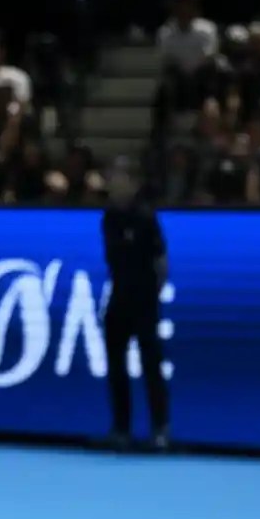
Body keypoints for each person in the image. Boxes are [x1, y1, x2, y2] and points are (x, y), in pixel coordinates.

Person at [101, 160, 171, 451]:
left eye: (118, 177)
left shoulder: (145, 216)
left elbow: (161, 261)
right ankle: (121, 429)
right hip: (118, 299)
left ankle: (160, 430)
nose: (112, 183)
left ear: (132, 182)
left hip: (144, 302)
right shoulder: (108, 218)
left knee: (150, 366)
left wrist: (152, 294)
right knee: (116, 366)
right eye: (110, 178)